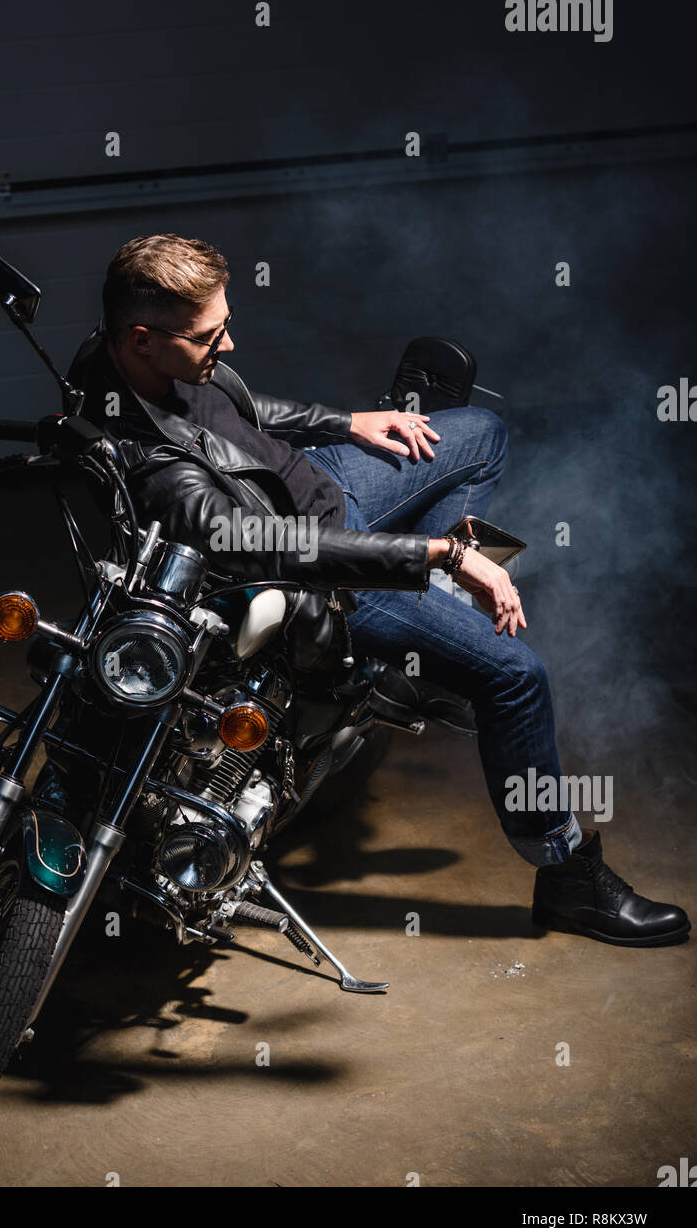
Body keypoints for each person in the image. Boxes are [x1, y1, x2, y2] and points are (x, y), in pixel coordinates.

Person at [68, 232, 689, 948]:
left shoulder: (129, 356)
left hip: (317, 484)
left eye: (226, 324)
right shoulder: (157, 470)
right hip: (323, 570)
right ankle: (567, 876)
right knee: (518, 676)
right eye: (210, 336)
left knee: (478, 432)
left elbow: (236, 406)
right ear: (142, 339)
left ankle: (421, 646)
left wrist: (348, 422)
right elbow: (274, 546)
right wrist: (439, 554)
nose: (229, 345)